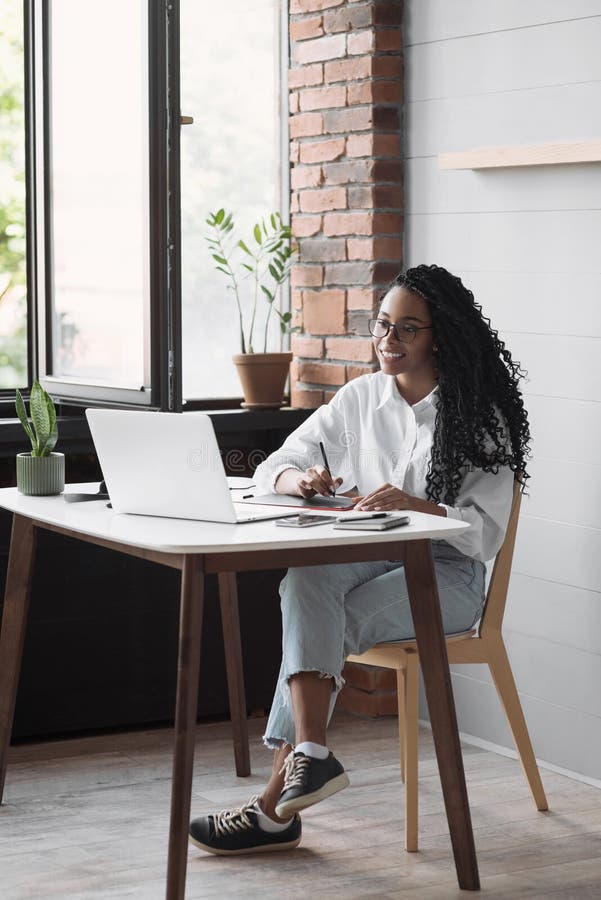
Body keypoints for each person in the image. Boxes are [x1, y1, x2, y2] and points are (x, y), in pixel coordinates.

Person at [189, 263, 531, 855]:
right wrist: (302, 479)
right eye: (382, 326)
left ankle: (275, 805)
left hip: (446, 576)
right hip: (369, 554)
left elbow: (482, 536)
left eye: (407, 329)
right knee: (304, 582)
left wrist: (419, 506)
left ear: (439, 337)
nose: (388, 341)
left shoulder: (479, 417)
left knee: (322, 620)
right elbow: (273, 466)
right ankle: (313, 758)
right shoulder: (360, 397)